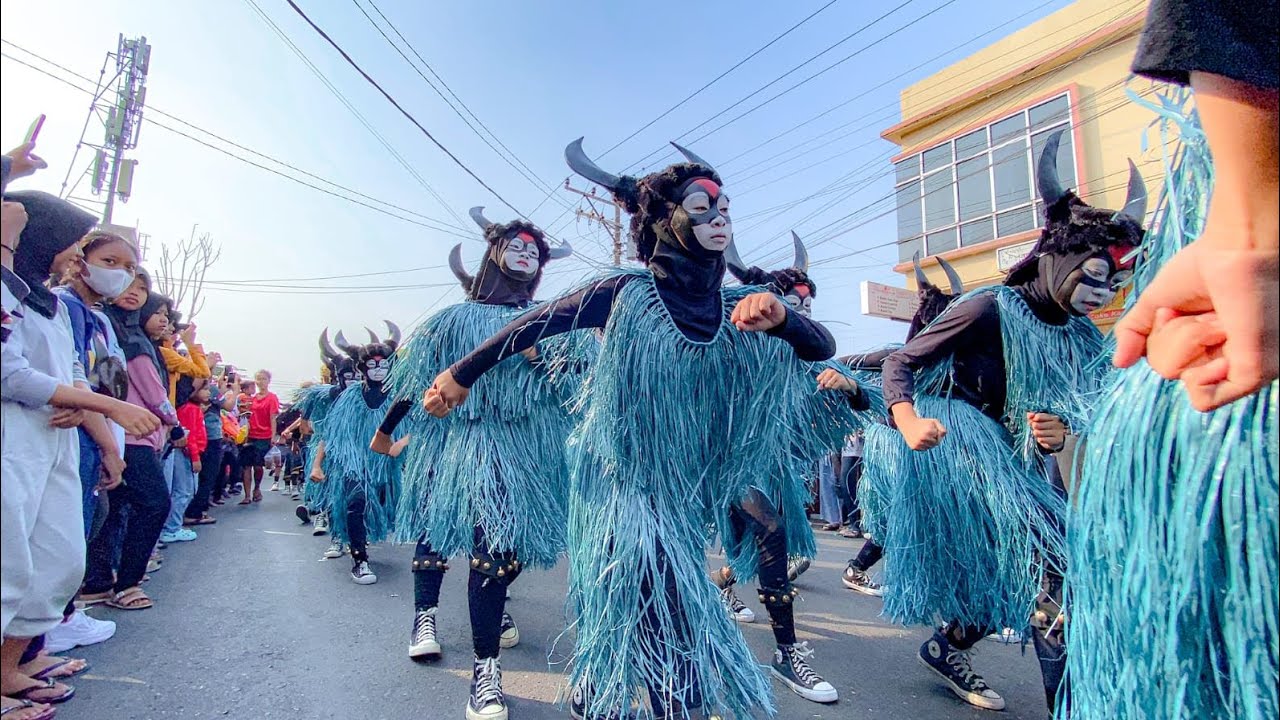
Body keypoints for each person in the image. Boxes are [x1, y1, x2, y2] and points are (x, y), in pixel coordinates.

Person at [425, 140, 846, 720]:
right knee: (671, 611)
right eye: (700, 207)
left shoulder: (736, 306)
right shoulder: (625, 293)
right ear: (664, 222)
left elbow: (822, 346)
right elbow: (531, 326)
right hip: (619, 481)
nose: (718, 216)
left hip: (681, 493)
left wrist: (782, 317)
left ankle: (600, 682)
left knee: (635, 602)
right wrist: (459, 374)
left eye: (724, 207)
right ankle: (668, 700)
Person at [870, 131, 1148, 714]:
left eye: (1113, 282)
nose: (1101, 293)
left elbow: (1092, 401)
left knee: (1019, 571)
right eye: (1093, 274)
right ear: (1057, 258)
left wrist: (1063, 429)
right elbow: (902, 359)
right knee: (1052, 565)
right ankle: (1072, 707)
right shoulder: (988, 306)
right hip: (957, 440)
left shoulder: (1078, 333)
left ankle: (948, 646)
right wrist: (907, 417)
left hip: (1013, 455)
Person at [1064, 2, 1278, 718]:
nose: (1107, 280)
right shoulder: (987, 310)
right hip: (1197, 403)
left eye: (1116, 270)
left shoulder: (1081, 331)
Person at [370, 207, 581, 702]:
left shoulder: (553, 320)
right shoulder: (453, 320)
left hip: (530, 449)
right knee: (445, 532)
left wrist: (541, 353)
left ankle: (493, 608)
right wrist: (386, 432)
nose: (526, 254)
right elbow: (413, 380)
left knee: (508, 548)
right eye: (517, 246)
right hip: (461, 442)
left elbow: (576, 384)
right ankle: (467, 656)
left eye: (535, 250)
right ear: (494, 253)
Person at [1, 188, 156, 714]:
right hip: (14, 443)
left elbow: (68, 372)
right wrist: (99, 407)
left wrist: (88, 414)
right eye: (72, 244)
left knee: (59, 558)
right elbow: (11, 372)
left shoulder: (52, 306)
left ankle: (12, 663)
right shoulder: (9, 294)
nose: (74, 254)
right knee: (7, 562)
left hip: (57, 442)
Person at [84, 287, 181, 611]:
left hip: (128, 433)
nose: (164, 322)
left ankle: (101, 581)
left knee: (115, 509)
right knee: (155, 503)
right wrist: (174, 422)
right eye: (160, 314)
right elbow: (153, 395)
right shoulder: (133, 344)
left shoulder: (135, 338)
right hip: (130, 436)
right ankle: (126, 583)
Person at [309, 328, 405, 585]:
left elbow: (419, 425)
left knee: (380, 507)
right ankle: (359, 560)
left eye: (383, 363)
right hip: (354, 464)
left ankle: (362, 543)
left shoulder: (398, 395)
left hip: (387, 466)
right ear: (363, 367)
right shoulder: (348, 398)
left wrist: (402, 444)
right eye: (372, 364)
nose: (378, 368)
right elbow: (331, 434)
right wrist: (318, 465)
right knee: (356, 502)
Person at [293, 331, 358, 537]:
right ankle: (322, 513)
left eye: (357, 375)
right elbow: (305, 426)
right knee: (328, 484)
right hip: (325, 445)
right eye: (348, 376)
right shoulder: (325, 396)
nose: (354, 380)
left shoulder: (363, 394)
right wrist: (322, 430)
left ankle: (353, 535)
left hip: (357, 448)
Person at [238, 370, 279, 504]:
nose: (261, 382)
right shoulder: (251, 399)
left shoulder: (272, 398)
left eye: (264, 379)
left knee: (257, 466)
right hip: (250, 435)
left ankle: (257, 488)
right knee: (246, 465)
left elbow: (273, 418)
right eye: (259, 379)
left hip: (264, 436)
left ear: (268, 381)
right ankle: (247, 495)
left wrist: (273, 436)